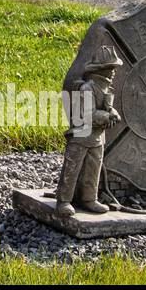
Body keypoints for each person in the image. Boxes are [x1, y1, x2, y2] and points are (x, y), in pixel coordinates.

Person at [56, 45, 124, 217]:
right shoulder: (88, 88)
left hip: (97, 137)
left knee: (93, 169)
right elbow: (88, 114)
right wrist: (107, 117)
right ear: (102, 70)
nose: (114, 72)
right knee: (73, 168)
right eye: (111, 68)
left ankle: (89, 198)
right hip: (81, 136)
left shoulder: (106, 89)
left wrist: (112, 112)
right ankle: (64, 200)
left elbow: (107, 108)